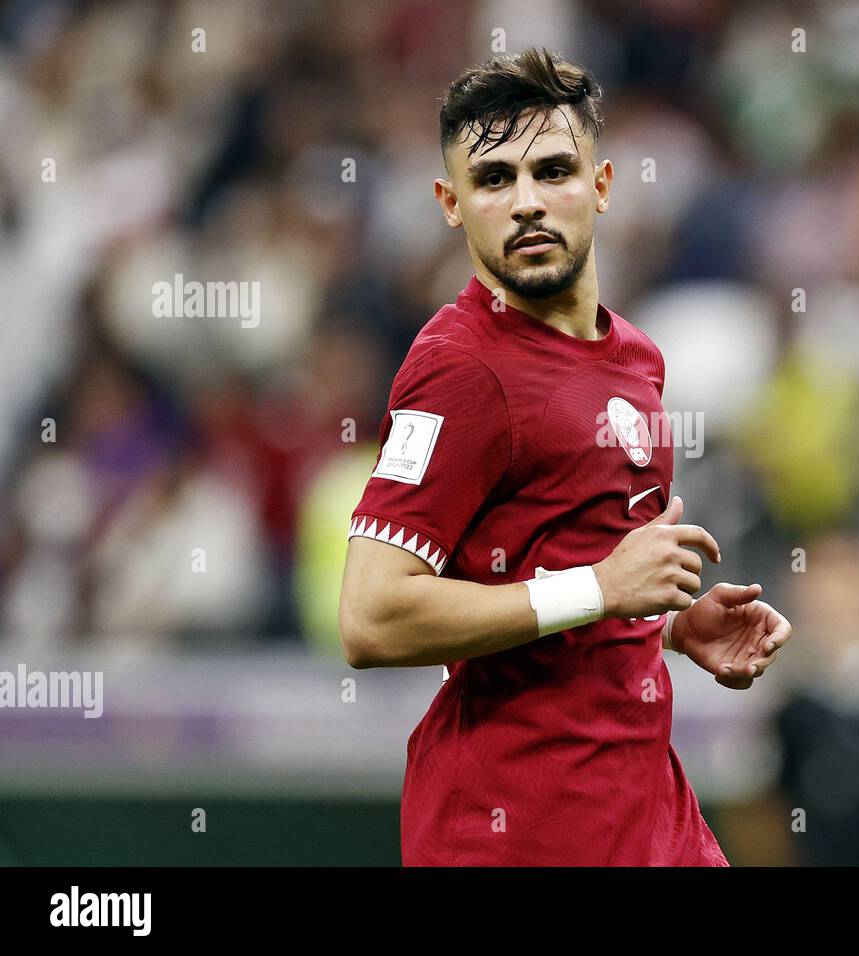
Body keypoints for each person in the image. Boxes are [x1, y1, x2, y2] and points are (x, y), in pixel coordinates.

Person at [337, 47, 791, 866]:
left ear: (604, 185)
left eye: (553, 170)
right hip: (514, 832)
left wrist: (667, 622)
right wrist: (603, 588)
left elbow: (580, 580)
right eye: (494, 180)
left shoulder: (638, 359)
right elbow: (371, 616)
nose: (527, 203)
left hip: (649, 820)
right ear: (451, 203)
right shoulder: (460, 368)